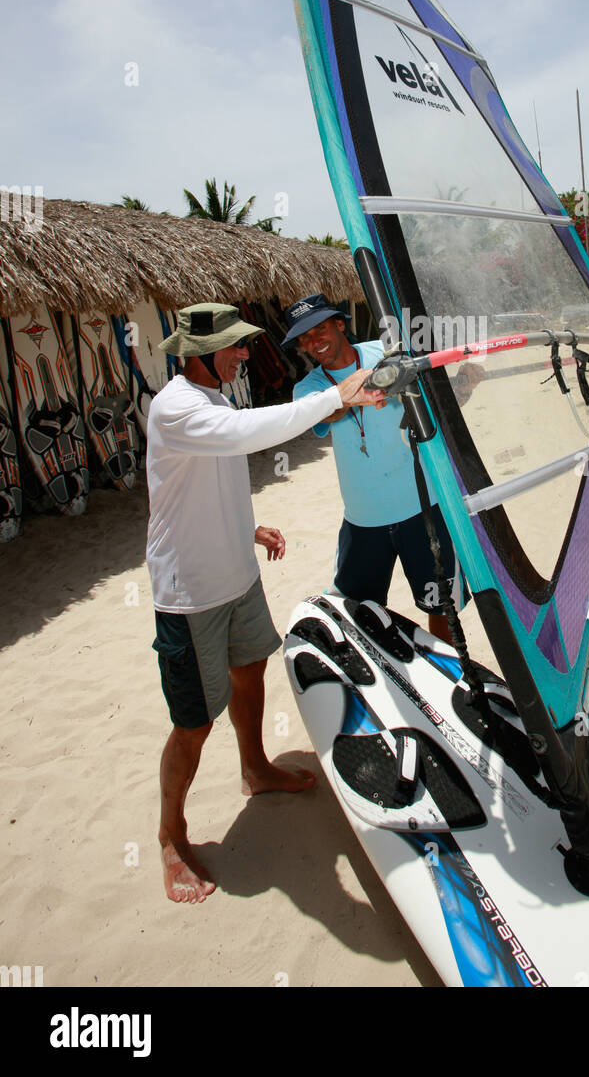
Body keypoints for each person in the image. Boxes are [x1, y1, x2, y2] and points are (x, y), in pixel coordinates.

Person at [146, 302, 382, 904]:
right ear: (197, 354)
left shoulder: (217, 400)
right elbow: (253, 434)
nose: (244, 354)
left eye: (243, 345)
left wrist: (247, 527)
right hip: (190, 594)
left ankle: (254, 768)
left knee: (251, 675)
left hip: (238, 576)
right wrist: (337, 398)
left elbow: (214, 472)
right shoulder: (174, 407)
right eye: (233, 346)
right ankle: (171, 836)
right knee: (193, 722)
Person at [284, 294, 477, 641]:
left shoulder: (387, 352)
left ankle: (454, 677)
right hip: (363, 522)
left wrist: (465, 385)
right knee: (356, 619)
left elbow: (435, 406)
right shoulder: (310, 387)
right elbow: (321, 413)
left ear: (339, 324)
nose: (314, 342)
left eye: (320, 329)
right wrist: (363, 389)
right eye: (305, 338)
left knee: (443, 610)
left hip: (423, 508)